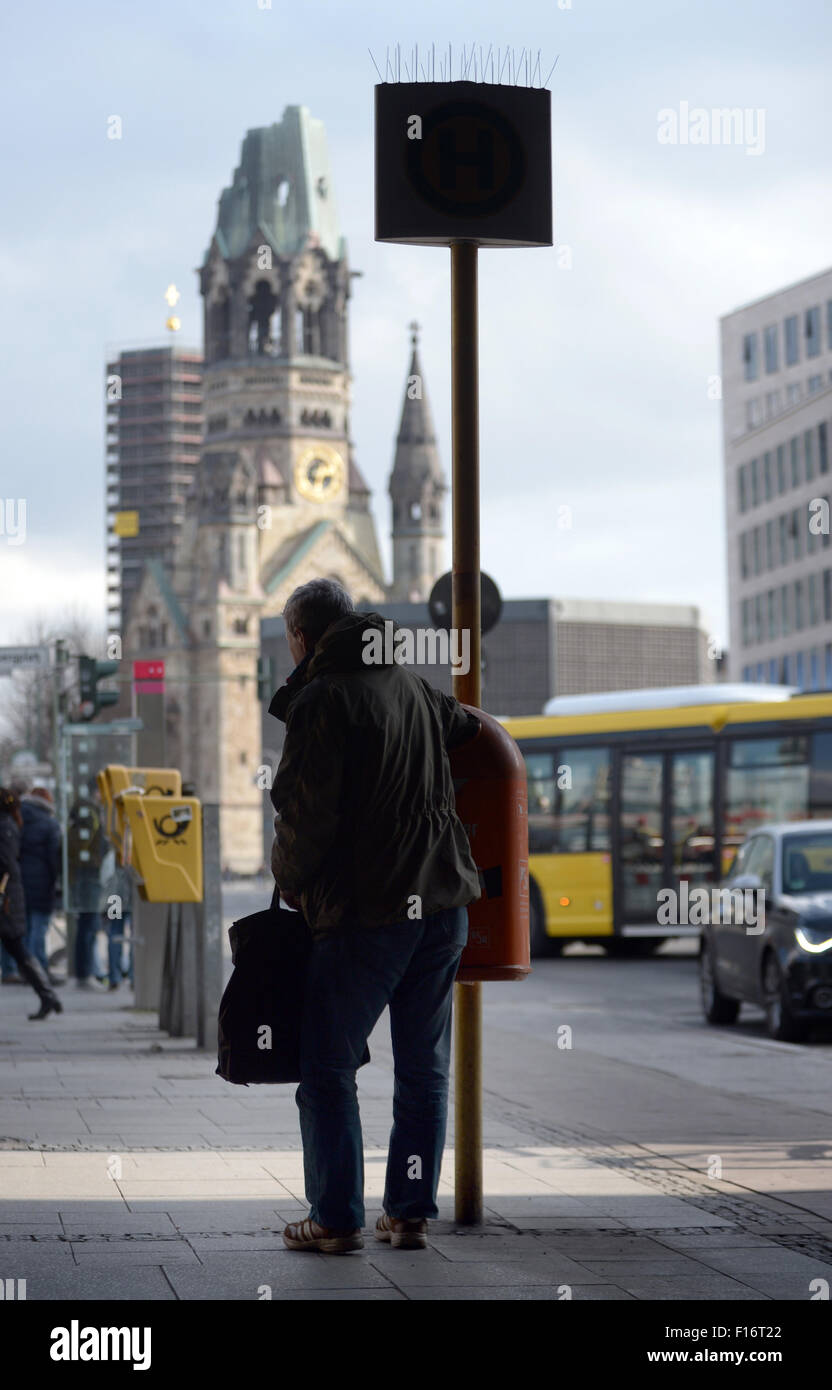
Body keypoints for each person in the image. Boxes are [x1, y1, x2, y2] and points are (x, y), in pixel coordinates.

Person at [269, 579, 482, 1255]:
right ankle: (409, 1213)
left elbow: (305, 815)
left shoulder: (324, 699)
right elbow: (471, 727)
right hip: (444, 900)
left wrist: (291, 883)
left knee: (328, 1065)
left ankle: (334, 1218)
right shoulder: (414, 687)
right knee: (423, 1067)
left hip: (370, 906)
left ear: (301, 636)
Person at [0, 788, 62, 1020]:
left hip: (8, 896)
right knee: (21, 943)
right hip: (19, 892)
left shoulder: (7, 826)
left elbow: (7, 863)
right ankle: (47, 994)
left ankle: (46, 994)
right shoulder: (29, 823)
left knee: (18, 945)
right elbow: (54, 858)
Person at [19, 785, 61, 979]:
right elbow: (54, 857)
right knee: (39, 927)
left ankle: (26, 969)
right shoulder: (49, 824)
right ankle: (39, 969)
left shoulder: (17, 819)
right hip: (43, 881)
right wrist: (58, 881)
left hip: (19, 881)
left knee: (26, 927)